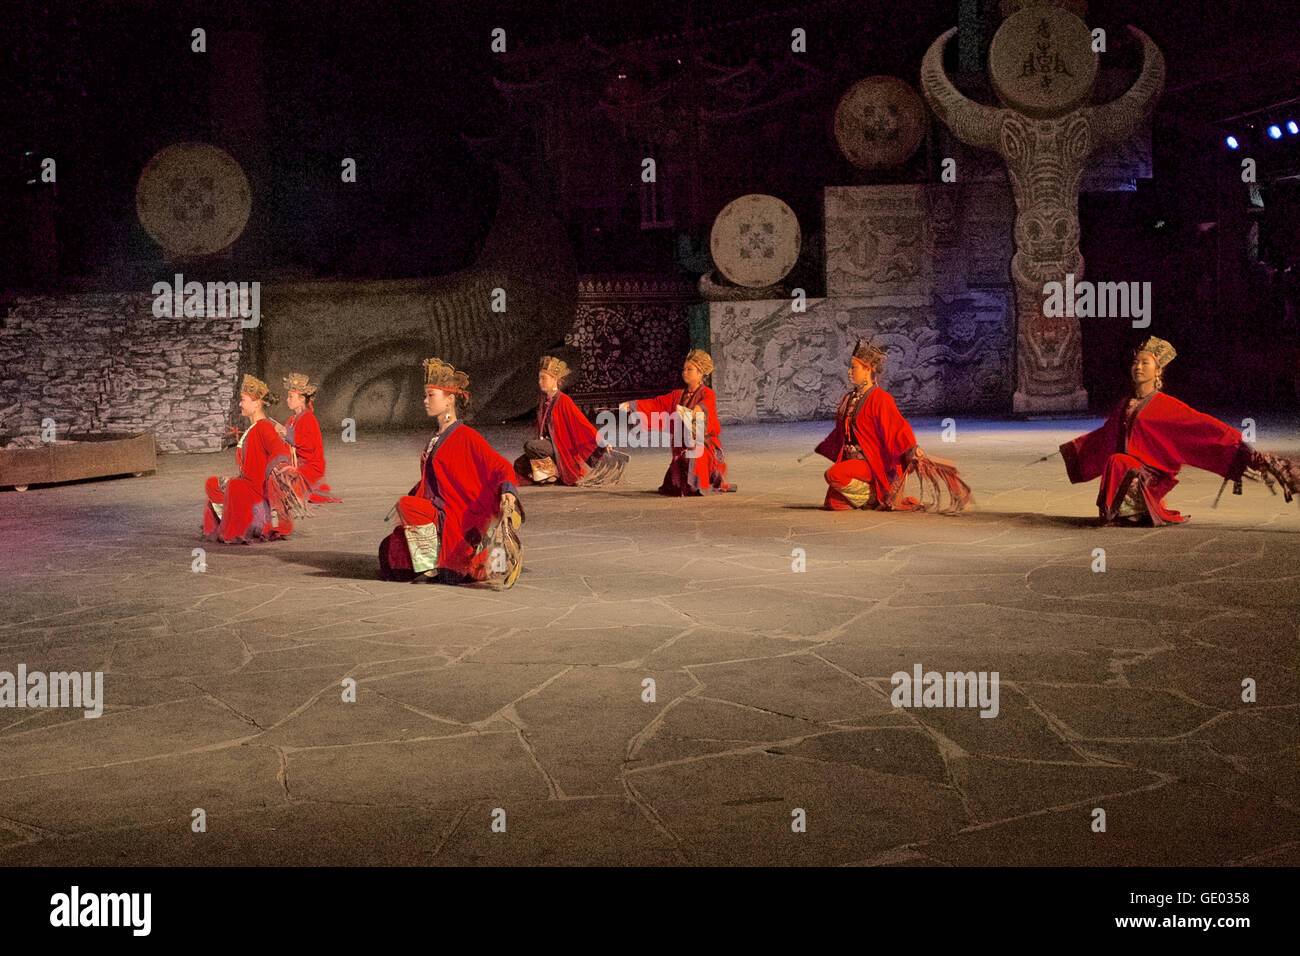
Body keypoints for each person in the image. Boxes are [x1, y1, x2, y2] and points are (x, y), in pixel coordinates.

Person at [1060, 335, 1300, 525]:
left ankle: (1135, 511)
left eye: (1145, 363)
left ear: (1158, 372)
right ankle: (1123, 512)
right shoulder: (1124, 404)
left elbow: (1202, 426)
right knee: (1117, 460)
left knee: (1119, 461)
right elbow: (1104, 436)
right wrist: (1075, 449)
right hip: (1129, 465)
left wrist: (1240, 447)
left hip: (1151, 474)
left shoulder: (1166, 406)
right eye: (1135, 362)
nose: (1138, 367)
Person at [378, 358, 524, 587]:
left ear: (450, 400)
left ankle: (432, 565)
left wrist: (507, 490)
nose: (425, 401)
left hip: (452, 515)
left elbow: (500, 465)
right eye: (425, 395)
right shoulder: (437, 436)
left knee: (407, 506)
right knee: (388, 552)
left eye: (431, 395)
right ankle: (431, 558)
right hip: (438, 510)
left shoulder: (466, 436)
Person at [814, 340, 972, 512]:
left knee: (833, 474)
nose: (849, 371)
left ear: (867, 369)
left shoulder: (881, 398)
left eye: (854, 367)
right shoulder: (848, 398)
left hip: (870, 463)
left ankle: (875, 496)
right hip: (850, 460)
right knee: (834, 504)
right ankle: (871, 495)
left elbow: (897, 427)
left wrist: (911, 448)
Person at [202, 374, 308, 543]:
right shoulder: (254, 427)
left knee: (235, 486)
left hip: (258, 488)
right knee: (213, 484)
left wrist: (276, 476)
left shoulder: (264, 427)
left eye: (243, 400)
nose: (240, 404)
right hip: (249, 481)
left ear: (256, 403)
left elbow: (280, 453)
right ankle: (220, 526)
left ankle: (238, 530)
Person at [618, 348, 736, 495]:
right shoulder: (677, 395)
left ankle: (702, 482)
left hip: (702, 446)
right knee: (674, 482)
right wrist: (632, 405)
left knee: (694, 458)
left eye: (689, 369)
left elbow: (707, 405)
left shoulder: (707, 393)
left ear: (700, 373)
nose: (684, 372)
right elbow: (657, 404)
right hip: (682, 446)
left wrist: (698, 409)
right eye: (684, 369)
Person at [513, 355, 628, 486]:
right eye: (539, 378)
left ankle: (552, 473)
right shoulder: (544, 400)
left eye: (543, 378)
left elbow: (582, 423)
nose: (540, 381)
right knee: (519, 465)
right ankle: (549, 474)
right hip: (547, 445)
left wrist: (601, 442)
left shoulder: (563, 400)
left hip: (559, 448)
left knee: (531, 446)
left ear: (554, 379)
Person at [278, 372, 341, 503]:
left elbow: (308, 445)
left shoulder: (308, 418)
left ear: (301, 399)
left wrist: (287, 434)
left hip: (309, 467)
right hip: (296, 464)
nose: (287, 400)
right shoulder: (291, 419)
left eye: (291, 396)